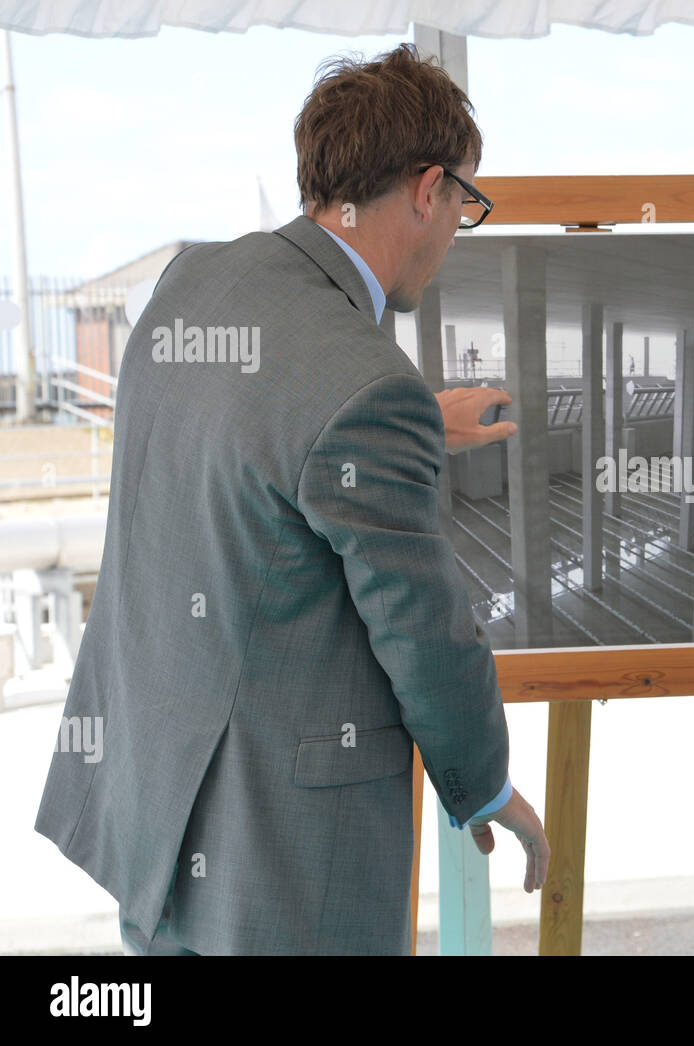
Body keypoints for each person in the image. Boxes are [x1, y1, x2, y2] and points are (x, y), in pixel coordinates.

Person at [35, 43, 549, 955]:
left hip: (157, 810)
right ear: (428, 190)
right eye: (467, 202)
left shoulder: (194, 282)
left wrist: (420, 422)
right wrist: (487, 785)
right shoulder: (366, 385)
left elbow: (245, 429)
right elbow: (425, 631)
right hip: (280, 860)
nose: (457, 228)